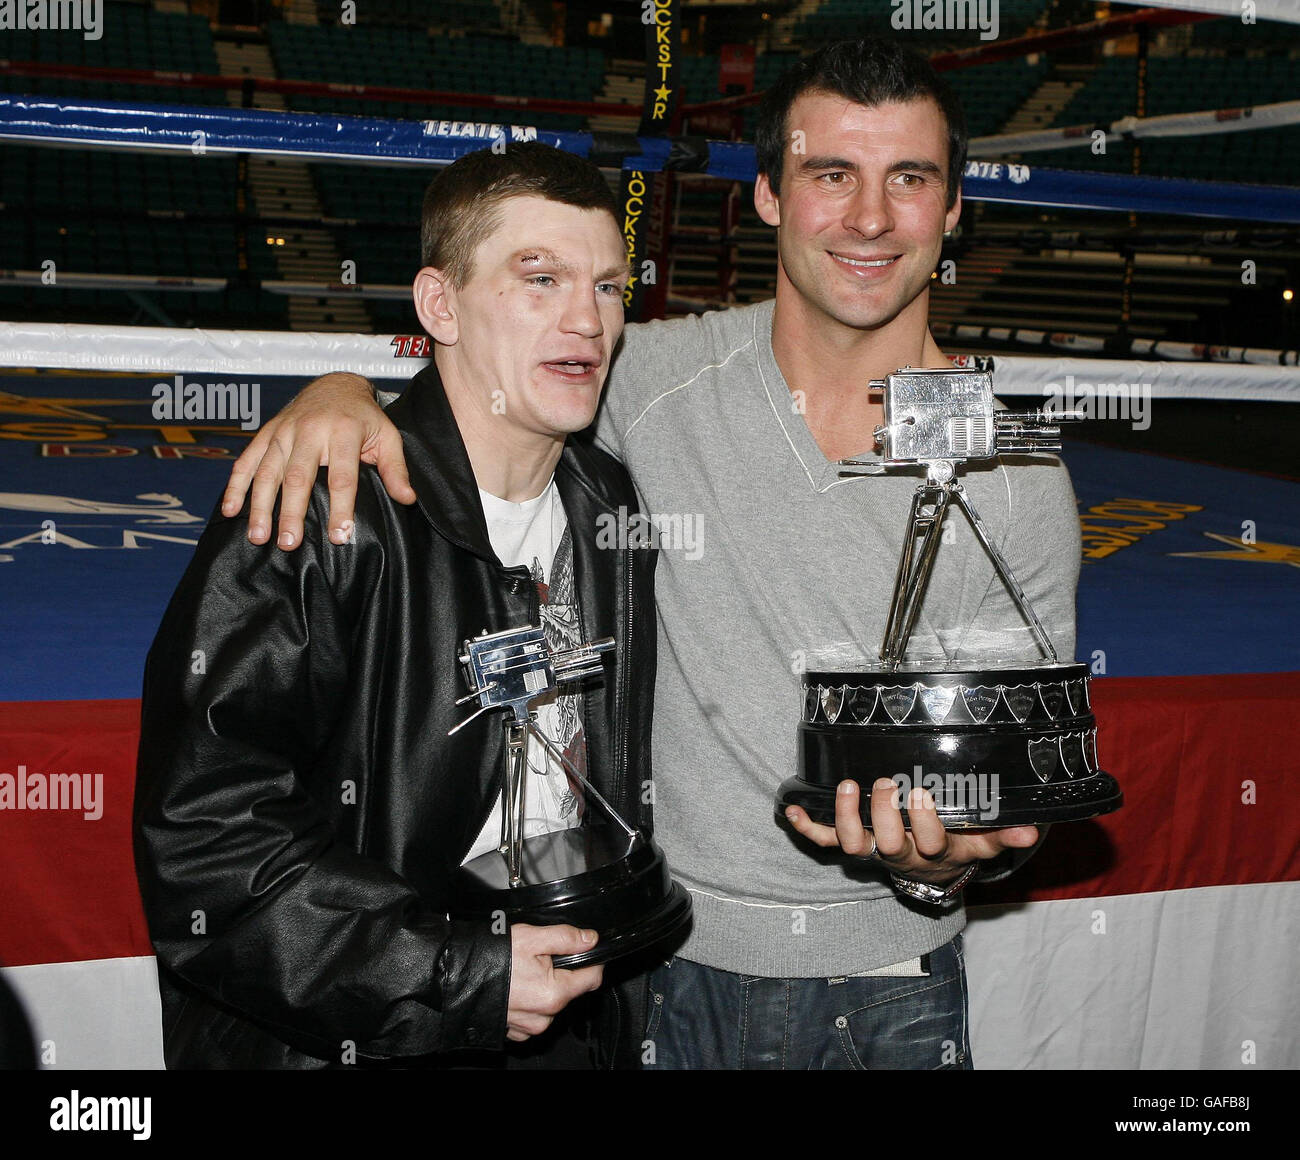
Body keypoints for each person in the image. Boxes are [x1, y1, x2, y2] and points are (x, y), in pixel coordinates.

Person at [220, 38, 1080, 1069]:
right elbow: (483, 367)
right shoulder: (645, 379)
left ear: (950, 210)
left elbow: (1011, 776)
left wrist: (942, 866)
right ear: (766, 194)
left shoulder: (1015, 479)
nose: (867, 217)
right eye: (829, 174)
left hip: (888, 988)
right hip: (646, 969)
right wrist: (344, 392)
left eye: (909, 178)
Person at [133, 142, 662, 1069]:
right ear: (439, 306)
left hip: (569, 1008)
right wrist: (458, 974)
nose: (586, 318)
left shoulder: (609, 502)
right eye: (539, 279)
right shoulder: (319, 503)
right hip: (358, 1035)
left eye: (610, 287)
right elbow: (206, 841)